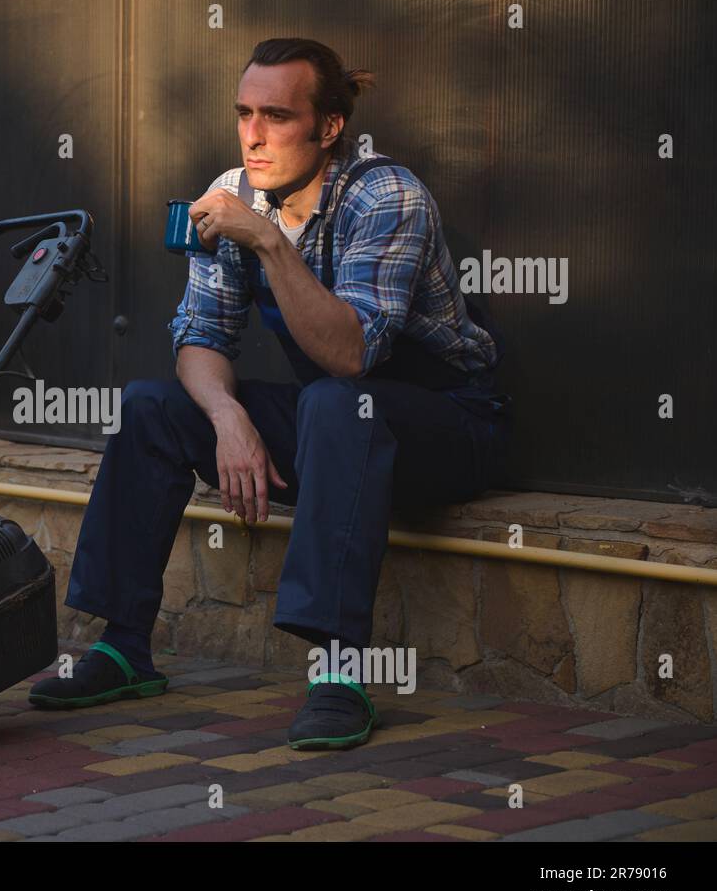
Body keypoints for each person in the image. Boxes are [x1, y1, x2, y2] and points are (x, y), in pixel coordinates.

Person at [29, 38, 511, 750]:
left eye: (277, 116)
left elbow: (352, 354)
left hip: (447, 425)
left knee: (340, 401)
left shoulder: (387, 196)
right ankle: (124, 645)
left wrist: (270, 243)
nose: (253, 134)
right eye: (245, 113)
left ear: (329, 127)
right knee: (152, 407)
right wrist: (228, 419)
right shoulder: (237, 192)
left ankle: (341, 671)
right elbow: (198, 337)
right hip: (336, 429)